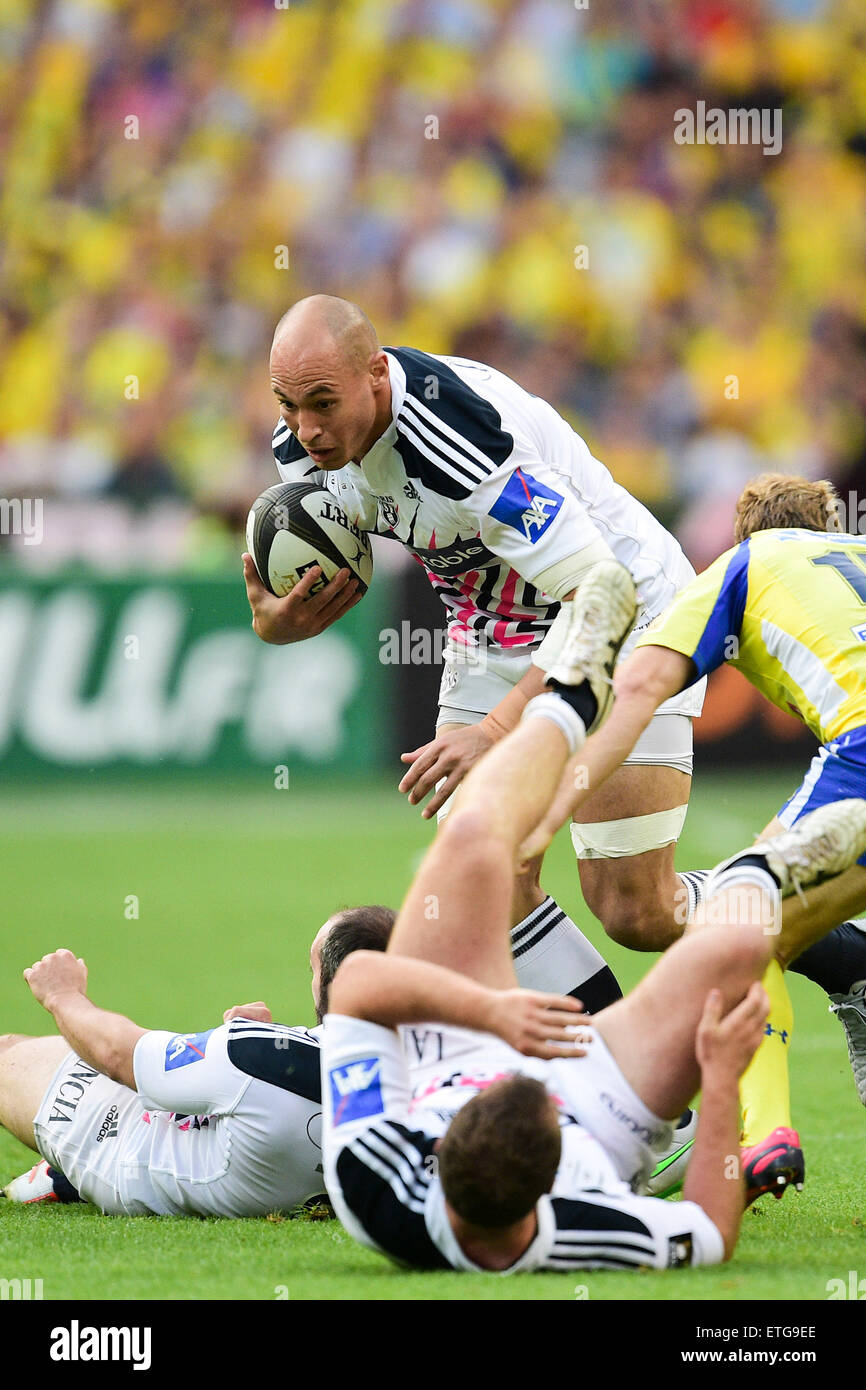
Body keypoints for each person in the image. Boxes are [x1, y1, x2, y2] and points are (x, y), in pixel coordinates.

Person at [320, 560, 866, 1270]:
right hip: (600, 1104)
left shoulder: (372, 1178)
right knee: (727, 959)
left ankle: (570, 686)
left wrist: (493, 1016)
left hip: (452, 1057)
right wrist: (723, 1080)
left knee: (473, 839)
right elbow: (709, 1231)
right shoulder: (584, 1221)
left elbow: (357, 982)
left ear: (440, 1148)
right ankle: (778, 871)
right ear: (543, 1200)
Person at [243, 294, 708, 1011]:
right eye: (286, 404)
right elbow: (344, 553)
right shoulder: (302, 451)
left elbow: (597, 592)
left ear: (375, 374)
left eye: (322, 403)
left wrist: (496, 731)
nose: (304, 429)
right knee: (479, 875)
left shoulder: (462, 441)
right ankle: (628, 1095)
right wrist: (284, 623)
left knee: (635, 909)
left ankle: (824, 926)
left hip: (627, 616)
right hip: (491, 629)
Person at [519, 474, 866, 1199]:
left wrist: (551, 808)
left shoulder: (742, 567)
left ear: (746, 533)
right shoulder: (854, 555)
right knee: (778, 899)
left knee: (735, 915)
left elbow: (635, 696)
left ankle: (766, 1132)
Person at [1, 906, 394, 1213]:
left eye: (312, 968)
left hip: (127, 1154)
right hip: (269, 1174)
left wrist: (63, 995)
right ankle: (62, 1180)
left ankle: (70, 1176)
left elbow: (118, 1054)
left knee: (7, 1055)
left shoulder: (249, 1055)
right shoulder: (433, 1059)